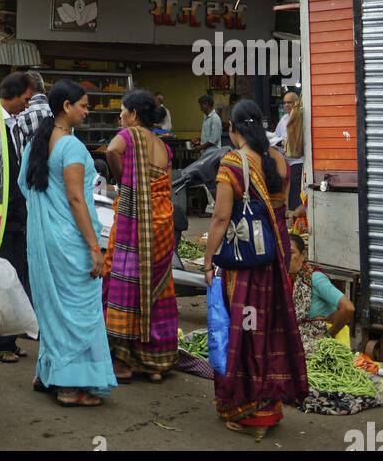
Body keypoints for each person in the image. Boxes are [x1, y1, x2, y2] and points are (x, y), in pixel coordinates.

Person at [203, 100, 308, 438]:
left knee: (243, 333)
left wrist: (207, 261)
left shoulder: (232, 163)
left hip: (245, 264)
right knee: (268, 331)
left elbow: (220, 219)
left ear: (233, 128)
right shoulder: (280, 161)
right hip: (275, 261)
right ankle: (269, 409)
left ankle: (246, 411)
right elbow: (282, 211)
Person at [19, 78, 116, 407]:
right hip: (69, 240)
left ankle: (48, 373)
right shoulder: (71, 147)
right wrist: (94, 246)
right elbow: (76, 198)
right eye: (84, 106)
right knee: (79, 309)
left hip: (44, 237)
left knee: (53, 306)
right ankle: (70, 386)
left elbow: (24, 185)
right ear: (66, 107)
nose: (88, 111)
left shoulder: (39, 142)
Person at [101, 89, 179, 381]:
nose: (120, 117)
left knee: (125, 284)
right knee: (153, 288)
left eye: (122, 112)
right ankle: (153, 362)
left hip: (135, 224)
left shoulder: (130, 136)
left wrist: (124, 179)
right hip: (161, 224)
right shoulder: (163, 145)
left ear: (133, 115)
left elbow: (111, 150)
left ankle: (122, 361)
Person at [0, 72, 35, 363]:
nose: (27, 106)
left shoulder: (8, 122)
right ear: (13, 95)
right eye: (26, 99)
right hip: (4, 215)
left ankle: (8, 338)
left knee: (15, 276)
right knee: (7, 278)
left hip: (13, 212)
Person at [289, 234, 355, 343]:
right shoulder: (288, 280)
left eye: (291, 252)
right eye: (282, 252)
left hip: (324, 341)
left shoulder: (315, 278)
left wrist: (328, 336)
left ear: (303, 255)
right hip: (304, 338)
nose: (286, 257)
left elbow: (348, 308)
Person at [14, 71, 51, 149]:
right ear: (43, 89)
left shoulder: (20, 114)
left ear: (26, 90)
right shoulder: (58, 112)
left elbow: (19, 149)